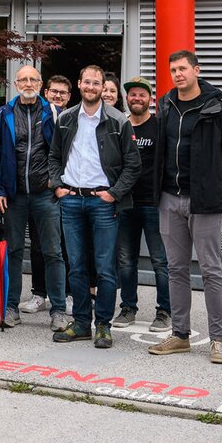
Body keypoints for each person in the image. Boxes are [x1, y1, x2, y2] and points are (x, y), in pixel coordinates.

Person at [149, 50, 222, 366]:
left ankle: (219, 340)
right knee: (176, 269)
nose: (177, 74)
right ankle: (180, 335)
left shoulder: (218, 111)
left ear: (196, 70)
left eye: (183, 68)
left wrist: (207, 180)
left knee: (211, 269)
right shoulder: (165, 107)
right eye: (173, 69)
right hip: (169, 199)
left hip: (205, 202)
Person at [51, 65, 139, 349]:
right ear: (79, 84)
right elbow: (53, 156)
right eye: (86, 82)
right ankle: (80, 323)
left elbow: (133, 164)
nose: (90, 87)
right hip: (72, 200)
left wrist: (114, 193)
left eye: (96, 83)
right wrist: (57, 186)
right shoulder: (65, 118)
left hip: (102, 201)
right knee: (76, 266)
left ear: (103, 87)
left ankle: (102, 325)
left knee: (104, 268)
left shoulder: (117, 120)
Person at [0, 64, 62, 328]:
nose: (28, 84)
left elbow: (62, 151)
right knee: (13, 251)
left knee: (53, 252)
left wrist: (55, 180)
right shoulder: (4, 114)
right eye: (23, 79)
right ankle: (11, 308)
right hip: (14, 197)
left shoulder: (52, 113)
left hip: (45, 195)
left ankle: (58, 310)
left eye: (33, 79)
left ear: (41, 83)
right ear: (15, 84)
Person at [117, 78, 170, 328]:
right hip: (126, 203)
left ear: (150, 99)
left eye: (141, 95)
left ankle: (165, 311)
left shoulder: (159, 127)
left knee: (160, 259)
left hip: (153, 202)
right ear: (126, 99)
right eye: (132, 95)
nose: (136, 98)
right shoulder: (121, 126)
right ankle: (128, 308)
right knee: (126, 259)